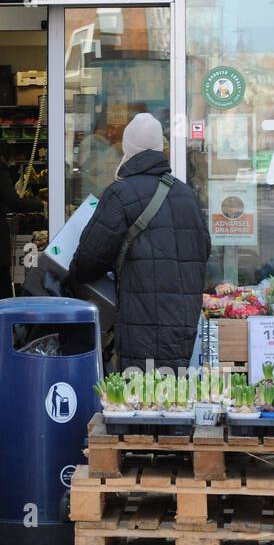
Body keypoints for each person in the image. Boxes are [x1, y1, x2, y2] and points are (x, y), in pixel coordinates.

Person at [68, 113, 210, 371]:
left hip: (140, 326)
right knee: (172, 400)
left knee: (139, 402)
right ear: (159, 147)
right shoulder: (186, 195)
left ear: (127, 146)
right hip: (183, 322)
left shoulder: (120, 194)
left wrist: (71, 275)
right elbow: (203, 251)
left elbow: (88, 261)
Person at [0, 139, 44, 301]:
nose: (11, 162)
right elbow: (13, 202)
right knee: (3, 275)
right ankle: (5, 314)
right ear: (4, 157)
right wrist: (39, 205)